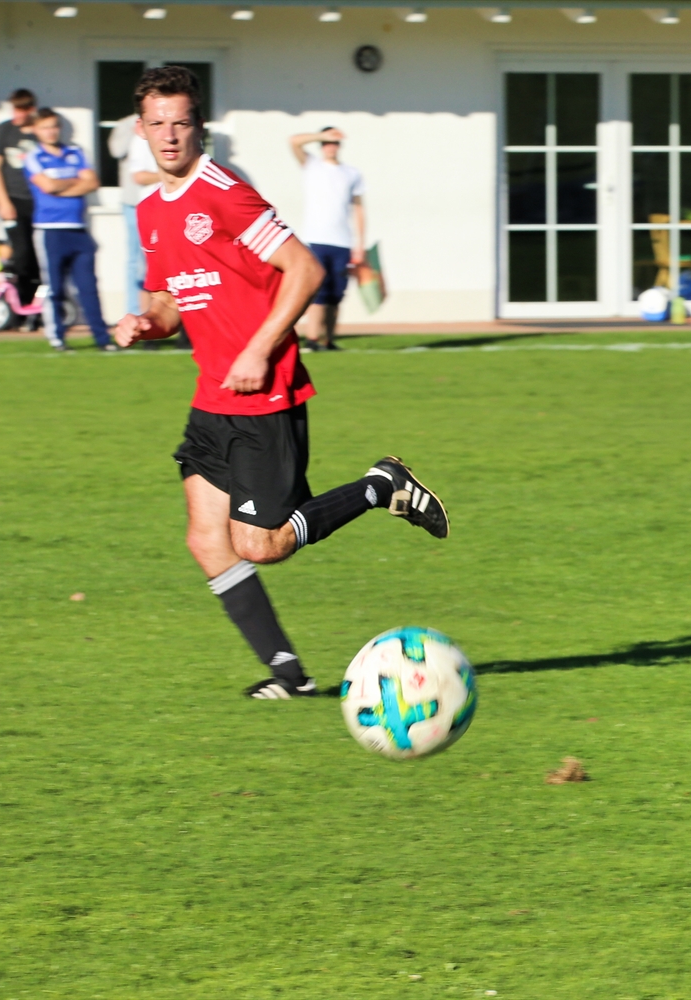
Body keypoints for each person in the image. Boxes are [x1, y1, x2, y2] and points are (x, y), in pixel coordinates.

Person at [114, 66, 449, 699]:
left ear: (199, 127)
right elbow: (166, 302)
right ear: (141, 128)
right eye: (157, 123)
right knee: (205, 539)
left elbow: (300, 269)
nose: (169, 135)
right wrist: (144, 324)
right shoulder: (152, 212)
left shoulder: (224, 192)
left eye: (181, 122)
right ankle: (290, 678)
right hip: (212, 397)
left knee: (262, 545)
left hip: (265, 392)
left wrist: (260, 348)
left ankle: (380, 487)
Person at [24, 108, 112, 351]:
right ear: (36, 130)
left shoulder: (75, 152)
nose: (50, 131)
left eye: (54, 126)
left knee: (88, 287)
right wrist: (76, 182)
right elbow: (47, 186)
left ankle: (102, 339)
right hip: (50, 229)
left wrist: (62, 187)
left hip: (78, 229)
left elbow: (92, 182)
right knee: (55, 288)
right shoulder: (34, 157)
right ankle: (58, 338)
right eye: (44, 127)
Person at [289, 126, 365, 351]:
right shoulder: (312, 165)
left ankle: (328, 339)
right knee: (318, 292)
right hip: (316, 239)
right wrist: (323, 135)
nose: (331, 146)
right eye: (327, 143)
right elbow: (294, 141)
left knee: (336, 294)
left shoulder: (352, 173)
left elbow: (359, 209)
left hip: (343, 241)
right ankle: (312, 338)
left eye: (335, 142)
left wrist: (359, 243)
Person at [0, 89, 43, 324]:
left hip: (38, 202)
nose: (17, 115)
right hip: (13, 201)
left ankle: (37, 310)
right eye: (14, 109)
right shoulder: (5, 130)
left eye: (21, 110)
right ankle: (19, 306)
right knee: (21, 254)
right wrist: (3, 201)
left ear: (31, 110)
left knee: (37, 257)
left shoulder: (39, 132)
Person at [108, 113, 161, 316]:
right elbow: (115, 151)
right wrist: (136, 130)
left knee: (161, 260)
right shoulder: (125, 124)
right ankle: (134, 313)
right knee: (136, 262)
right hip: (134, 202)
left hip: (162, 202)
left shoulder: (165, 123)